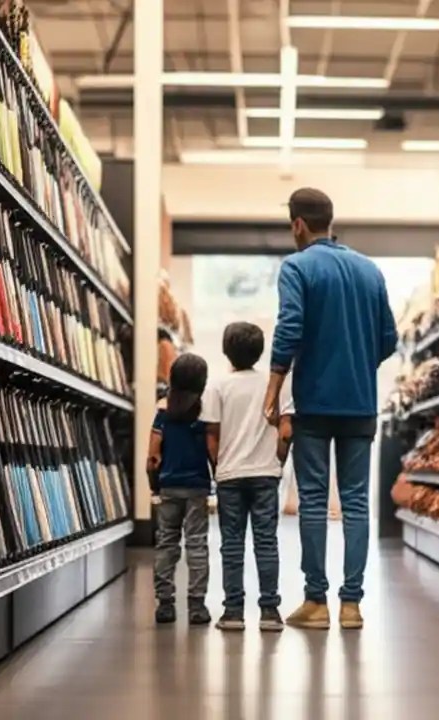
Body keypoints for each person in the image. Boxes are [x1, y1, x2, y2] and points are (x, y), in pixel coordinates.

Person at [264, 187, 398, 630]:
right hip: (360, 404)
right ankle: (352, 605)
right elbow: (388, 339)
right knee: (357, 501)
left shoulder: (297, 267)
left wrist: (273, 391)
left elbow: (289, 330)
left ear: (298, 224)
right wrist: (358, 365)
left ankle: (316, 601)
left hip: (315, 405)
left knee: (315, 501)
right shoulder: (369, 270)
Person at [201, 322, 293, 632]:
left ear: (226, 350)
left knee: (232, 544)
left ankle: (233, 612)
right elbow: (285, 431)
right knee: (266, 542)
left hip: (230, 476)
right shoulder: (273, 384)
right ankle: (269, 611)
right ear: (261, 351)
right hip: (266, 474)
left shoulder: (217, 386)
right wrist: (278, 460)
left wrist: (218, 467)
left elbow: (211, 434)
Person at [146, 353, 212, 626]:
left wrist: (154, 485)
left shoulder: (163, 413)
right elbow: (212, 449)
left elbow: (153, 455)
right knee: (197, 544)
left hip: (169, 487)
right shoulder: (204, 414)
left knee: (166, 543)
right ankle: (196, 605)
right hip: (196, 487)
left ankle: (165, 604)